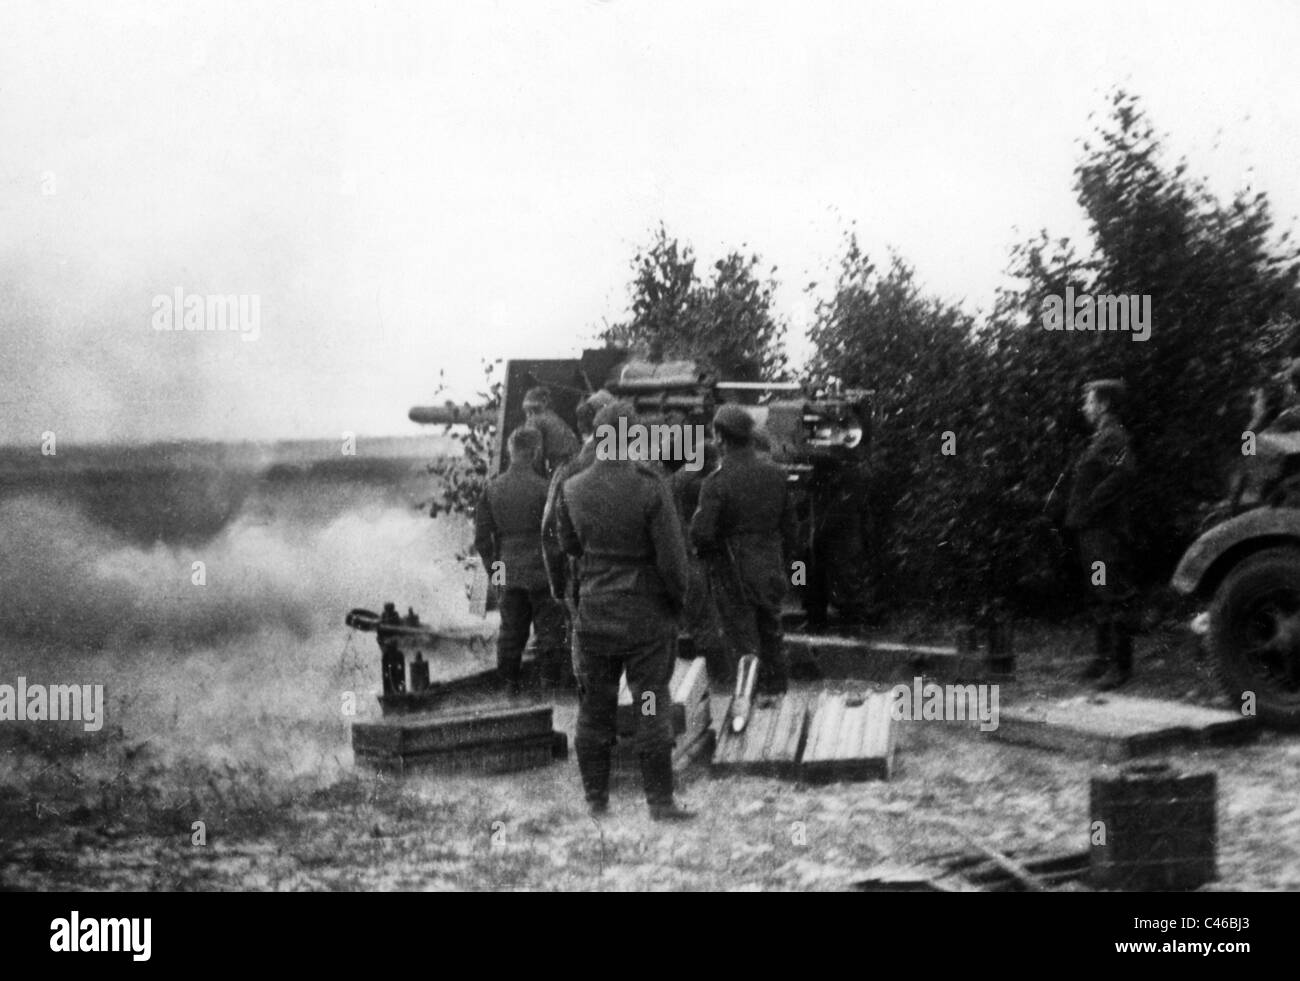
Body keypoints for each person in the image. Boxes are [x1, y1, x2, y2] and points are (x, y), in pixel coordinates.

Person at [556, 401, 693, 821]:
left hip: (594, 612)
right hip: (645, 617)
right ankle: (660, 802)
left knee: (594, 707)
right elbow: (672, 560)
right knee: (650, 702)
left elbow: (569, 546)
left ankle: (596, 801)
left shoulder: (572, 487)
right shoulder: (650, 486)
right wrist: (677, 602)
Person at [690, 404, 797, 694]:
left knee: (743, 647)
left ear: (721, 438)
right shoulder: (777, 474)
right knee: (773, 637)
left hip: (733, 570)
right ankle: (778, 706)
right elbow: (791, 530)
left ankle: (746, 718)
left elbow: (701, 533)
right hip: (770, 566)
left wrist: (709, 557)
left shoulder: (717, 482)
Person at [473, 427, 567, 693]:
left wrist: (497, 576)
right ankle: (551, 691)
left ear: (510, 452)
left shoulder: (492, 489)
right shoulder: (544, 489)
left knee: (510, 635)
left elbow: (482, 540)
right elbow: (557, 535)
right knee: (549, 634)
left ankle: (508, 691)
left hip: (508, 570)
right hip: (541, 571)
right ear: (535, 452)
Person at [1064, 378, 1139, 690]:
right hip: (1092, 531)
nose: (1085, 407)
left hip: (1104, 531)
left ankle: (1119, 667)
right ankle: (1103, 658)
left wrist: (1092, 504)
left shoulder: (1113, 436)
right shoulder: (1102, 437)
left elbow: (1124, 472)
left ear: (1104, 404)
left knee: (1111, 592)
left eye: (1090, 401)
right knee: (1099, 592)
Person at [541, 389, 616, 682]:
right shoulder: (641, 467)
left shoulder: (568, 471)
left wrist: (557, 586)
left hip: (584, 579)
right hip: (633, 583)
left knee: (588, 662)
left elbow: (550, 530)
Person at [671, 440, 726, 680]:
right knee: (704, 619)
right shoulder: (696, 485)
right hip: (692, 556)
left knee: (694, 617)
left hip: (680, 554)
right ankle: (718, 675)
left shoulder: (680, 478)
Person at [522, 386, 582, 477]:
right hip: (575, 461)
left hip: (562, 465)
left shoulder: (534, 420)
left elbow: (536, 455)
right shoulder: (551, 416)